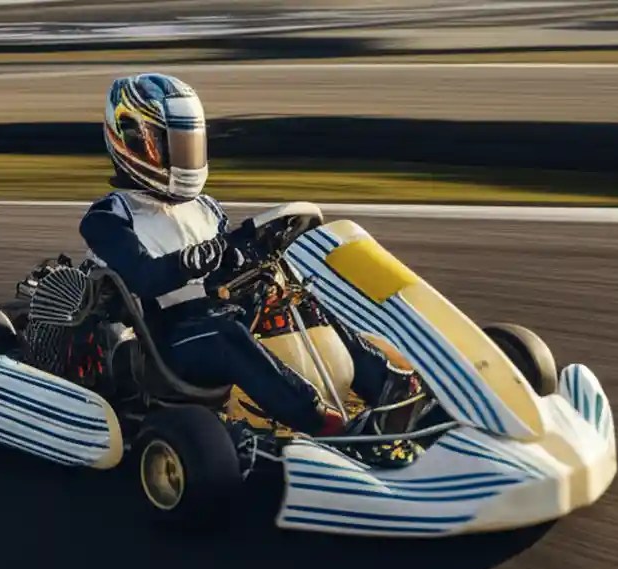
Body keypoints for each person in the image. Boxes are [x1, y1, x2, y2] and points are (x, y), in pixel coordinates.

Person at [74, 72, 416, 437]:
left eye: (189, 143)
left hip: (225, 309)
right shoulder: (109, 215)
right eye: (172, 144)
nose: (185, 156)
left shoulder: (205, 207)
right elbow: (143, 275)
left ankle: (390, 389)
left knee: (302, 303)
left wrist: (248, 253)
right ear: (132, 142)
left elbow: (227, 263)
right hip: (167, 338)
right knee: (228, 335)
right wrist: (198, 258)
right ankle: (322, 422)